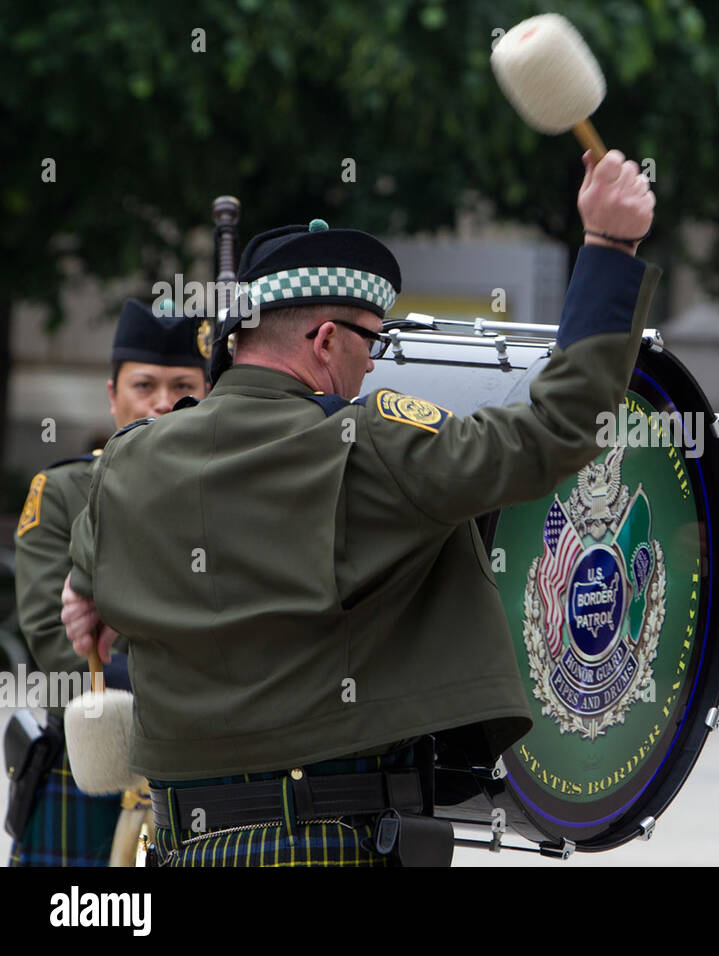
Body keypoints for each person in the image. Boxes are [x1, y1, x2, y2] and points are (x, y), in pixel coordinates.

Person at [60, 149, 658, 867]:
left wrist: (86, 590)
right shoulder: (369, 446)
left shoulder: (125, 460)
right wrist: (611, 249)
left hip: (183, 845)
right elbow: (559, 432)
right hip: (325, 842)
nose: (372, 364)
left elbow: (82, 594)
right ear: (325, 339)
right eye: (372, 340)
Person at [9, 299, 210, 866]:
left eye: (183, 385)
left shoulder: (228, 495)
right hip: (94, 757)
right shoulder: (63, 491)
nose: (163, 402)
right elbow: (55, 638)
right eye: (144, 385)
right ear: (112, 393)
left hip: (201, 768)